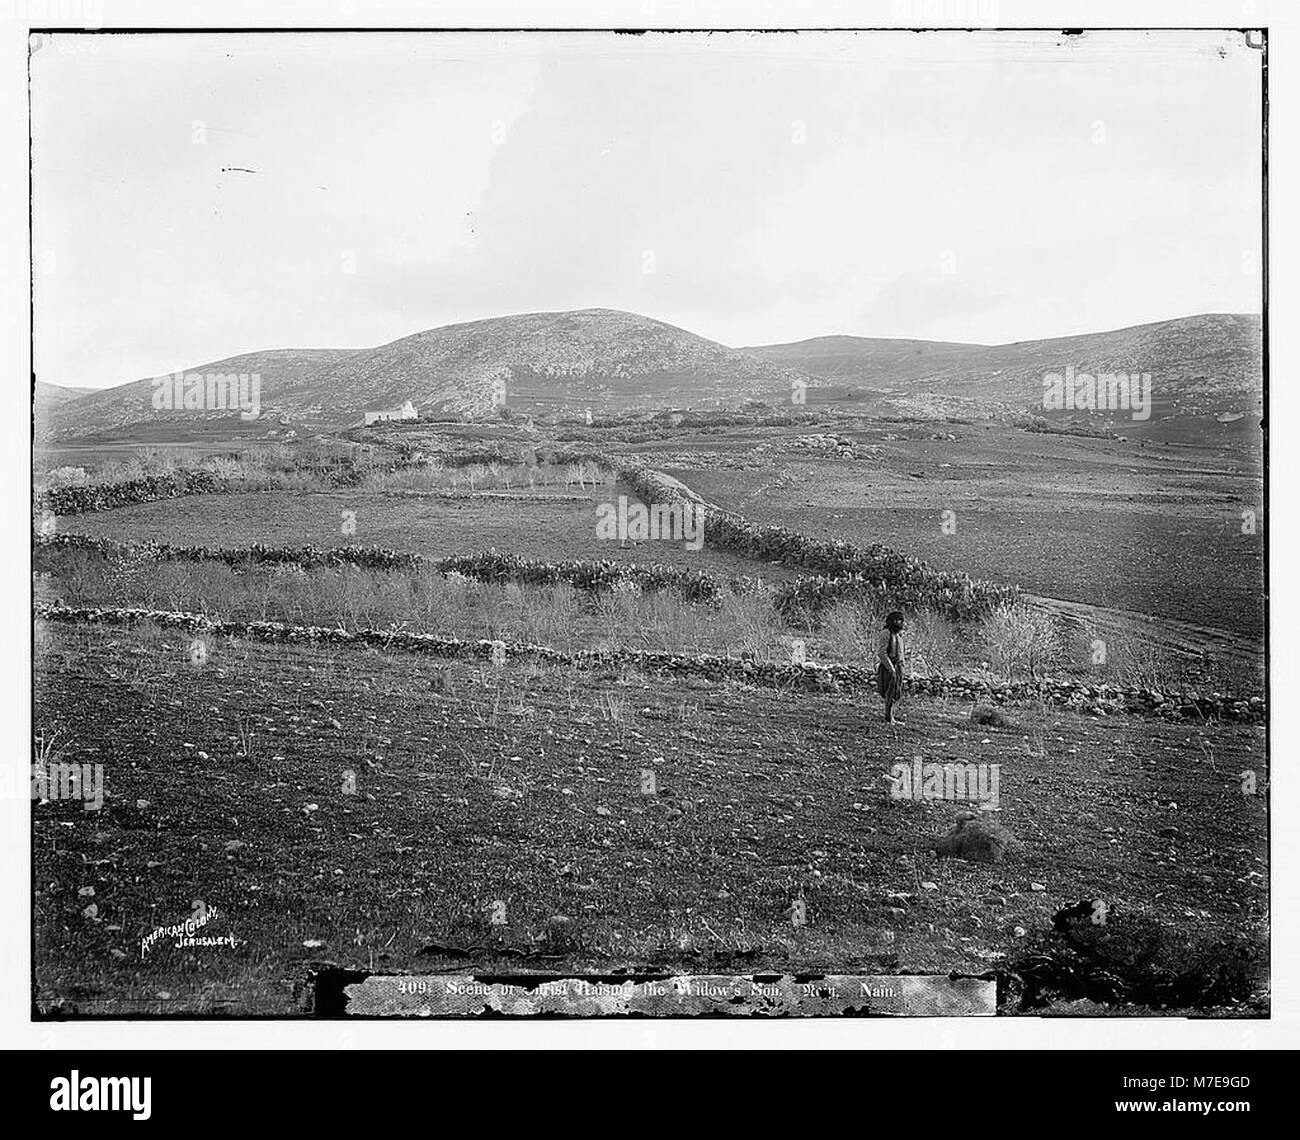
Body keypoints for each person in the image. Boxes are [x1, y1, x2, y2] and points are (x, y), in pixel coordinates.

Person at [877, 611, 906, 723]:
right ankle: (889, 717)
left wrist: (901, 667)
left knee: (896, 693)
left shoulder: (898, 634)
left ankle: (891, 716)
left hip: (898, 667)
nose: (899, 622)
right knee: (889, 693)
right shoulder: (886, 633)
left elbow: (901, 653)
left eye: (900, 620)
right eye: (896, 620)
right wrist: (891, 668)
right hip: (888, 667)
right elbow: (882, 652)